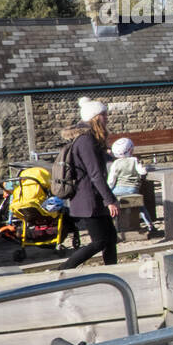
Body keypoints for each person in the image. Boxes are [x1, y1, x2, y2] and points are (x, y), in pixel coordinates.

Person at [59, 97, 120, 270]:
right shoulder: (86, 141)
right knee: (100, 241)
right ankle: (65, 268)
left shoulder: (90, 139)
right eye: (103, 114)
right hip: (88, 199)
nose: (107, 118)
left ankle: (113, 271)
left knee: (110, 238)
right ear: (95, 117)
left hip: (94, 197)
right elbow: (95, 174)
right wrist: (110, 200)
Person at [107, 137, 156, 232]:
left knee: (112, 205)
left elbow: (111, 181)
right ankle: (150, 225)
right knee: (141, 206)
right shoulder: (134, 160)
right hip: (131, 189)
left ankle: (113, 226)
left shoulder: (116, 163)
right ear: (130, 150)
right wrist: (146, 169)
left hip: (117, 190)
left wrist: (109, 191)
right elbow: (142, 172)